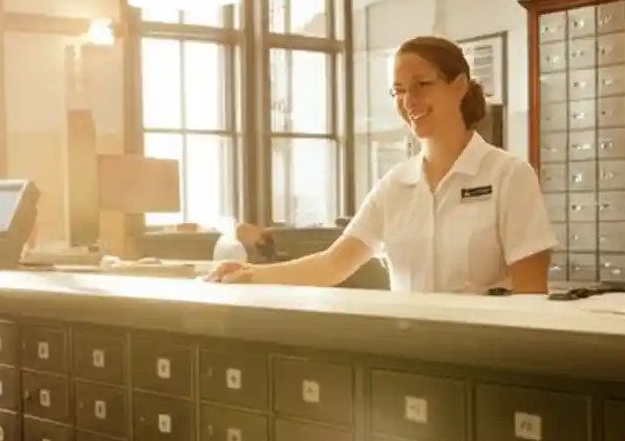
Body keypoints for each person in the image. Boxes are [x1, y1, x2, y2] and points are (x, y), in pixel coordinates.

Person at [207, 35, 557, 294]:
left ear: (459, 86)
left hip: (485, 358)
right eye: (399, 90)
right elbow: (334, 264)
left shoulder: (509, 176)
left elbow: (531, 294)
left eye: (421, 85)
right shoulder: (395, 185)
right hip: (406, 353)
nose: (410, 101)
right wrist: (250, 274)